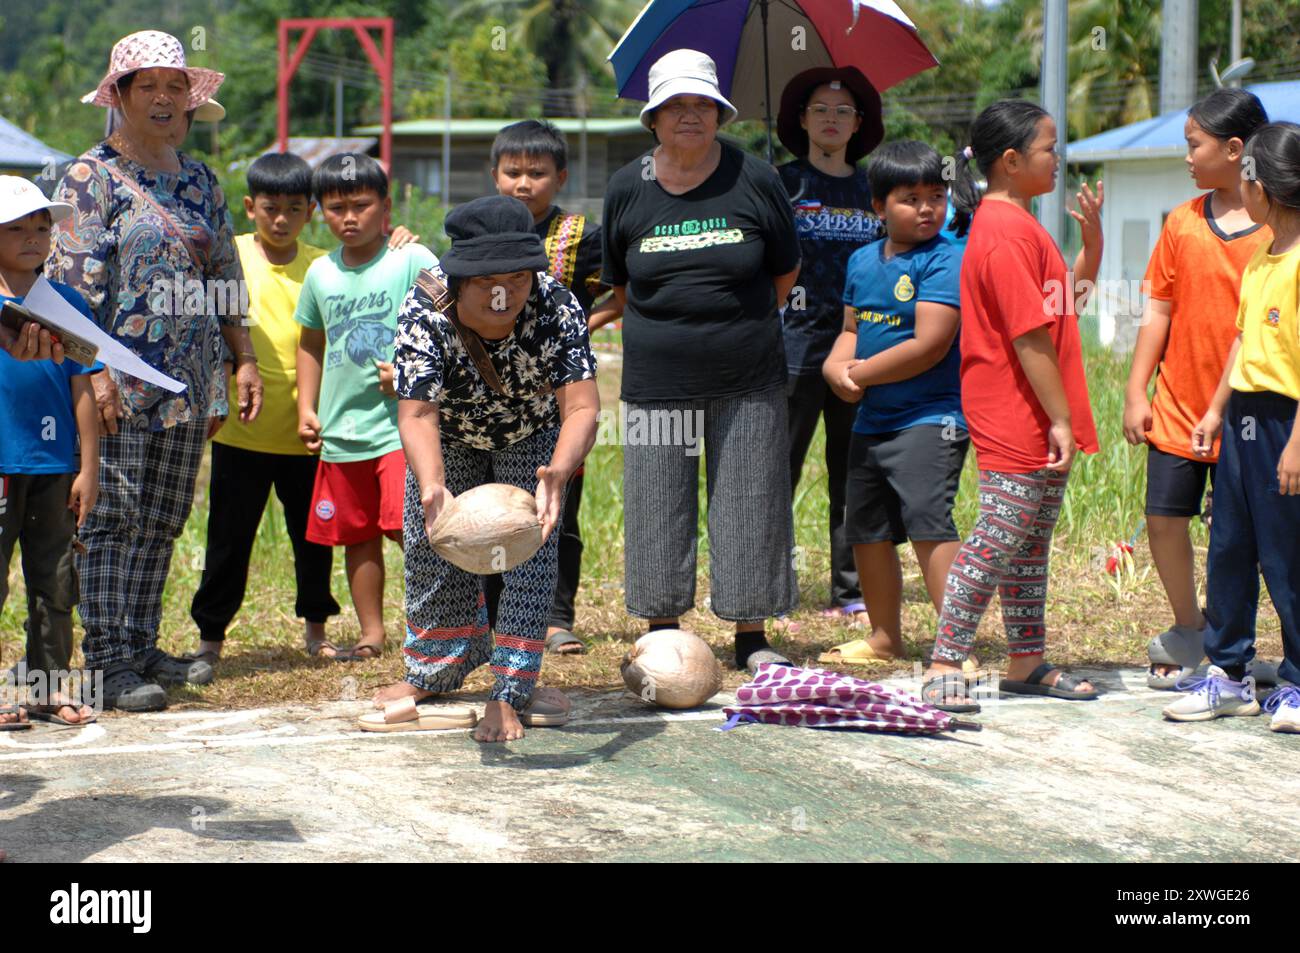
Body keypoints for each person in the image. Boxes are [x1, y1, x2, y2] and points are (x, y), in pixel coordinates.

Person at [47, 31, 264, 712]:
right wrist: (97, 375)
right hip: (118, 379)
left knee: (164, 517)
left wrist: (244, 358)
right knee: (111, 517)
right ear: (119, 96)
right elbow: (68, 288)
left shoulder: (199, 178)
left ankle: (140, 644)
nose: (165, 98)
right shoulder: (91, 177)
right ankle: (106, 660)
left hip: (190, 379)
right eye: (150, 86)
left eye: (176, 85)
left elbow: (225, 274)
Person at [601, 49, 802, 672]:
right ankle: (664, 630)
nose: (691, 115)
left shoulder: (755, 177)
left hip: (749, 377)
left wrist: (732, 326)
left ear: (719, 113)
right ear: (654, 118)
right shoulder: (626, 187)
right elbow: (623, 286)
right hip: (657, 378)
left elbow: (785, 269)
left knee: (749, 502)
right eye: (676, 105)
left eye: (702, 104)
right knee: (658, 504)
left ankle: (751, 635)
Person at [379, 195, 599, 742]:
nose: (506, 295)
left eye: (519, 279)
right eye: (488, 283)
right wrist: (432, 486)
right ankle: (436, 672)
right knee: (435, 546)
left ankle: (510, 688)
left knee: (531, 553)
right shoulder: (424, 306)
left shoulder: (557, 305)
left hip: (532, 434)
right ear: (460, 278)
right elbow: (418, 410)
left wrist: (558, 472)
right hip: (449, 433)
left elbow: (583, 407)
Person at [187, 153, 422, 666]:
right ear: (250, 207)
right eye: (270, 208)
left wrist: (402, 237)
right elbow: (211, 329)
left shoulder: (323, 261)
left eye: (295, 209)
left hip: (312, 436)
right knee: (227, 540)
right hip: (243, 434)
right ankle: (210, 636)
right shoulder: (230, 258)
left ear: (310, 213)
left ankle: (318, 629)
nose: (281, 219)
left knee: (315, 538)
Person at [921, 100, 1104, 712]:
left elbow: (1064, 302)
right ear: (1010, 160)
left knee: (1029, 542)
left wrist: (1093, 247)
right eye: (1050, 148)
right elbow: (1028, 337)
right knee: (998, 536)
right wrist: (1058, 419)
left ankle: (1026, 660)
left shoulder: (1024, 227)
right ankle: (944, 661)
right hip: (1014, 410)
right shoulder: (1001, 235)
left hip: (1040, 410)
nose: (1059, 158)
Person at [1121, 89, 1272, 688]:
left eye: (1194, 144)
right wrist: (1138, 392)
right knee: (1164, 518)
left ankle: (1240, 641)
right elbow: (1157, 312)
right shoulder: (1182, 222)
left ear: (1235, 150)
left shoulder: (1277, 227)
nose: (1187, 156)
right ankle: (1192, 629)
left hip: (1255, 412)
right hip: (1179, 405)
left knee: (1245, 535)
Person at [1167, 121, 1300, 730]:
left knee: (1287, 554)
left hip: (1288, 422)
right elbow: (1244, 341)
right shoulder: (1262, 258)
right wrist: (1217, 409)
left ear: (1267, 188)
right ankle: (1228, 674)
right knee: (1230, 546)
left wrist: (1296, 442)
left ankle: (1296, 681)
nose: (1240, 190)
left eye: (1247, 179)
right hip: (1245, 417)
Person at [818, 141, 970, 668]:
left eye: (936, 195)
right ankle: (885, 638)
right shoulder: (861, 261)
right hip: (872, 421)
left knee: (929, 523)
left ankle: (956, 647)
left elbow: (929, 346)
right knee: (867, 531)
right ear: (879, 207)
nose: (928, 208)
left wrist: (856, 372)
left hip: (932, 418)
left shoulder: (947, 257)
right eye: (911, 198)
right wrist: (832, 366)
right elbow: (850, 331)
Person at [294, 153, 438, 660]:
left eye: (361, 205)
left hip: (403, 427)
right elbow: (312, 342)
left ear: (386, 206)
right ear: (320, 212)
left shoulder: (413, 262)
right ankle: (372, 634)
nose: (349, 217)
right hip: (341, 431)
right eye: (336, 208)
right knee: (357, 536)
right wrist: (305, 406)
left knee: (413, 528)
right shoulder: (319, 273)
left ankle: (443, 622)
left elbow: (450, 326)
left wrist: (409, 372)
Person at [484, 119, 620, 655]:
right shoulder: (481, 230)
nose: (523, 183)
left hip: (560, 394)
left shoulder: (583, 236)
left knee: (558, 505)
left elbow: (618, 294)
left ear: (560, 177)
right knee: (494, 503)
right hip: (489, 394)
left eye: (536, 173)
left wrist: (576, 331)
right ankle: (494, 612)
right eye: (512, 172)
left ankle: (555, 616)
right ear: (493, 176)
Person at [776, 67, 885, 627]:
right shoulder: (778, 184)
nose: (831, 119)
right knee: (779, 470)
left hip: (862, 345)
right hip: (791, 345)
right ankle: (773, 588)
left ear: (859, 123)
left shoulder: (874, 188)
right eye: (820, 109)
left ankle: (850, 589)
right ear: (801, 119)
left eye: (843, 111)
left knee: (852, 471)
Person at [0, 177, 98, 727]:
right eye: (16, 228)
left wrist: (89, 468)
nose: (34, 237)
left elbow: (83, 389)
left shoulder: (67, 302)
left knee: (56, 582)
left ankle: (48, 686)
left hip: (55, 466)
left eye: (42, 227)